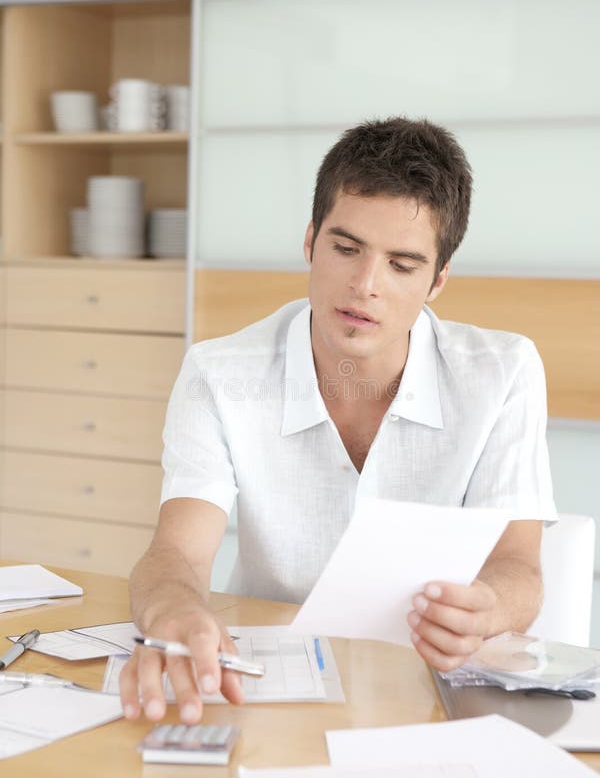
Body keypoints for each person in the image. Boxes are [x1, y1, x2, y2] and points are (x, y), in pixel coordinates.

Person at [120, 116, 556, 725]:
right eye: (346, 249)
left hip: (427, 689)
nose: (364, 285)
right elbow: (177, 555)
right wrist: (174, 612)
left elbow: (519, 568)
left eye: (402, 264)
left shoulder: (503, 373)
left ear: (438, 280)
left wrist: (486, 606)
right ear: (310, 242)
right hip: (267, 685)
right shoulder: (218, 373)